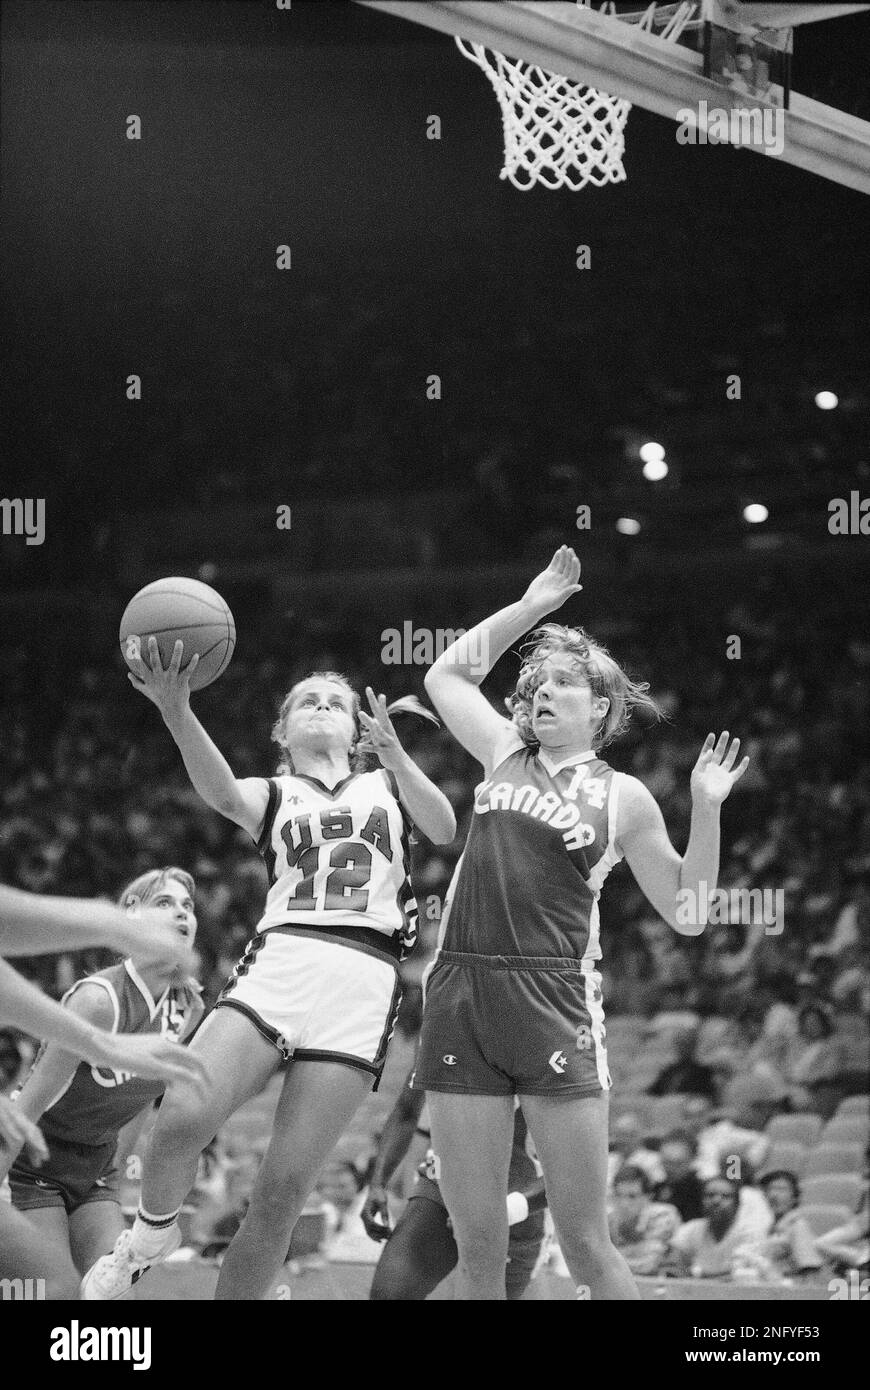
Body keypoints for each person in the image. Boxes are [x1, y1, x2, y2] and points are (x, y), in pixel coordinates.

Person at [416, 546, 750, 1299]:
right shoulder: (502, 750)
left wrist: (706, 807)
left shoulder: (623, 794)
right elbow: (445, 676)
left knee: (587, 1243)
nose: (540, 692)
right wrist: (533, 606)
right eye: (536, 682)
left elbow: (691, 915)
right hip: (461, 991)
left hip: (553, 1000)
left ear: (598, 708)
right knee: (477, 1251)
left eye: (563, 683)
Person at [82, 649, 455, 1300]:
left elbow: (445, 826)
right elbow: (222, 792)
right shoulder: (274, 793)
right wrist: (177, 709)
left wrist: (397, 758)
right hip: (284, 955)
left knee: (282, 1193)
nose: (321, 707)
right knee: (179, 1119)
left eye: (335, 702)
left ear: (358, 731)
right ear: (283, 733)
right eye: (306, 700)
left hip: (364, 978)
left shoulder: (387, 783)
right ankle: (147, 1239)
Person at [0, 868, 203, 1286]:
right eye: (164, 903)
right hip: (34, 1164)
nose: (181, 915)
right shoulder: (99, 1000)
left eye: (188, 906)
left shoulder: (186, 1007)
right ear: (131, 910)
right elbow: (32, 1101)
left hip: (93, 1172)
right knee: (53, 1291)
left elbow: (139, 1102)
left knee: (114, 1307)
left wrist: (112, 1177)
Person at [362, 1062, 547, 1300]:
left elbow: (573, 1170)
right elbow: (407, 1110)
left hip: (518, 1197)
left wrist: (508, 1210)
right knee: (388, 1295)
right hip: (445, 1178)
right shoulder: (439, 1028)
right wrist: (377, 1184)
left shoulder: (547, 1037)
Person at [666, 1175, 769, 1279]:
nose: (716, 1201)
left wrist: (697, 1276)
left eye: (725, 1196)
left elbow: (742, 1276)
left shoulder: (750, 1231)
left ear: (737, 1204)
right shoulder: (690, 1229)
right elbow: (672, 1267)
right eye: (710, 1195)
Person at [736, 1170, 824, 1281]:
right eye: (768, 1190)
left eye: (781, 1190)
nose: (773, 1195)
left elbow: (811, 1272)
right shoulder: (759, 1225)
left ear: (794, 1198)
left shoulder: (797, 1226)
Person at [608, 1165, 681, 1277]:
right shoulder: (608, 1220)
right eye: (618, 1195)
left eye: (632, 1196)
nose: (624, 1204)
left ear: (648, 1197)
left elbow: (649, 1264)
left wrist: (611, 1261)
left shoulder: (664, 1215)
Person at [647, 1027, 716, 1100]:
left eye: (686, 1044)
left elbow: (706, 1097)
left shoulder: (704, 1072)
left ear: (693, 1047)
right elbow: (653, 1091)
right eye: (680, 1045)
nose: (683, 1048)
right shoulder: (668, 1070)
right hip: (665, 1106)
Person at [654, 1130, 707, 1221]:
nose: (670, 1169)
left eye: (678, 1163)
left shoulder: (701, 1192)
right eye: (666, 1163)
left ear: (692, 1159)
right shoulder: (657, 1188)